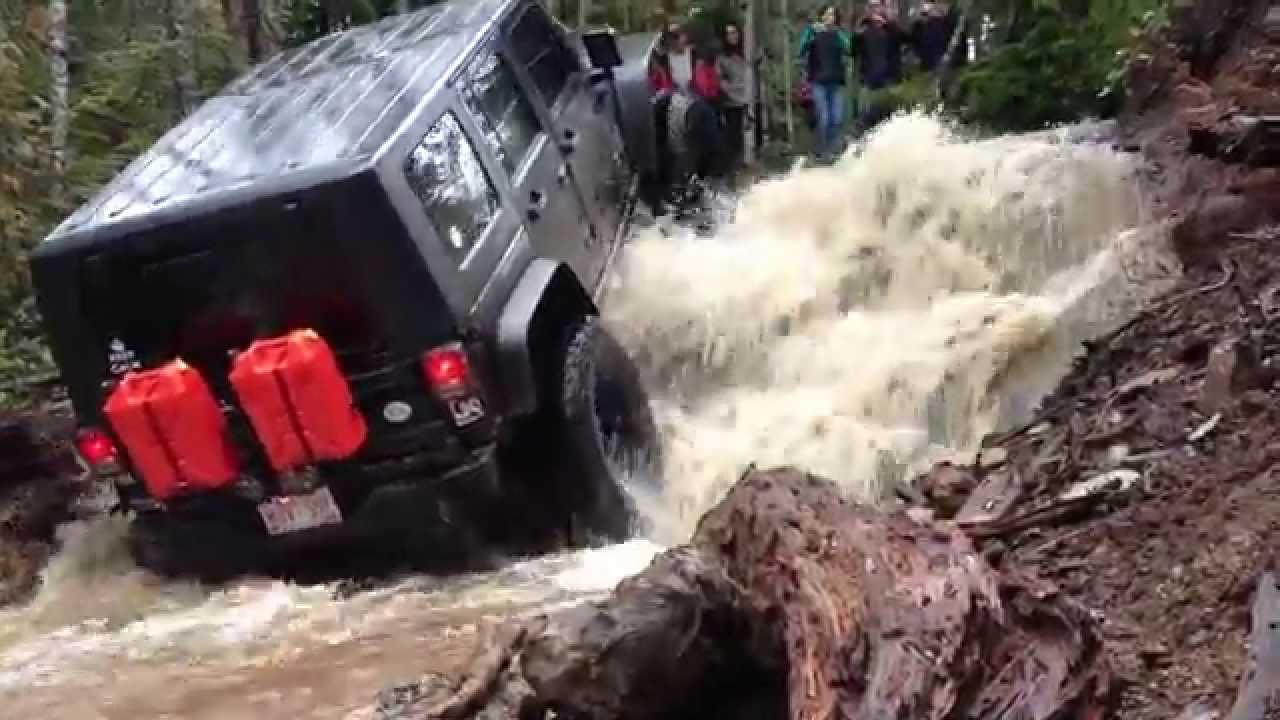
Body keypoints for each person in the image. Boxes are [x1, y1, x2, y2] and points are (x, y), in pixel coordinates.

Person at [797, 5, 851, 160]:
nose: (829, 18)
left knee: (837, 118)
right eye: (826, 14)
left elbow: (848, 48)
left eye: (832, 15)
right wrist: (811, 33)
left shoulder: (838, 34)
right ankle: (821, 151)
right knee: (824, 118)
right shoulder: (813, 32)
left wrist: (836, 32)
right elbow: (801, 49)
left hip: (836, 81)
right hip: (818, 81)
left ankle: (832, 150)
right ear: (821, 16)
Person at [851, 1, 908, 132]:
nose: (874, 9)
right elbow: (854, 52)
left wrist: (890, 23)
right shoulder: (863, 28)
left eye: (877, 5)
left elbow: (906, 39)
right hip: (869, 81)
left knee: (890, 119)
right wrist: (857, 35)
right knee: (866, 118)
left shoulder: (891, 28)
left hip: (890, 79)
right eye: (871, 6)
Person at [717, 22, 751, 172]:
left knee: (743, 134)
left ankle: (742, 163)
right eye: (729, 33)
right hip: (730, 102)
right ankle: (732, 167)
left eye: (735, 33)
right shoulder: (721, 58)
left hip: (745, 100)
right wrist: (734, 94)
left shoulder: (743, 54)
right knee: (732, 136)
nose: (733, 36)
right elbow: (720, 81)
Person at [911, 1, 960, 73]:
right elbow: (916, 42)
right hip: (932, 62)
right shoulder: (921, 25)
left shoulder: (947, 21)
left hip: (940, 61)